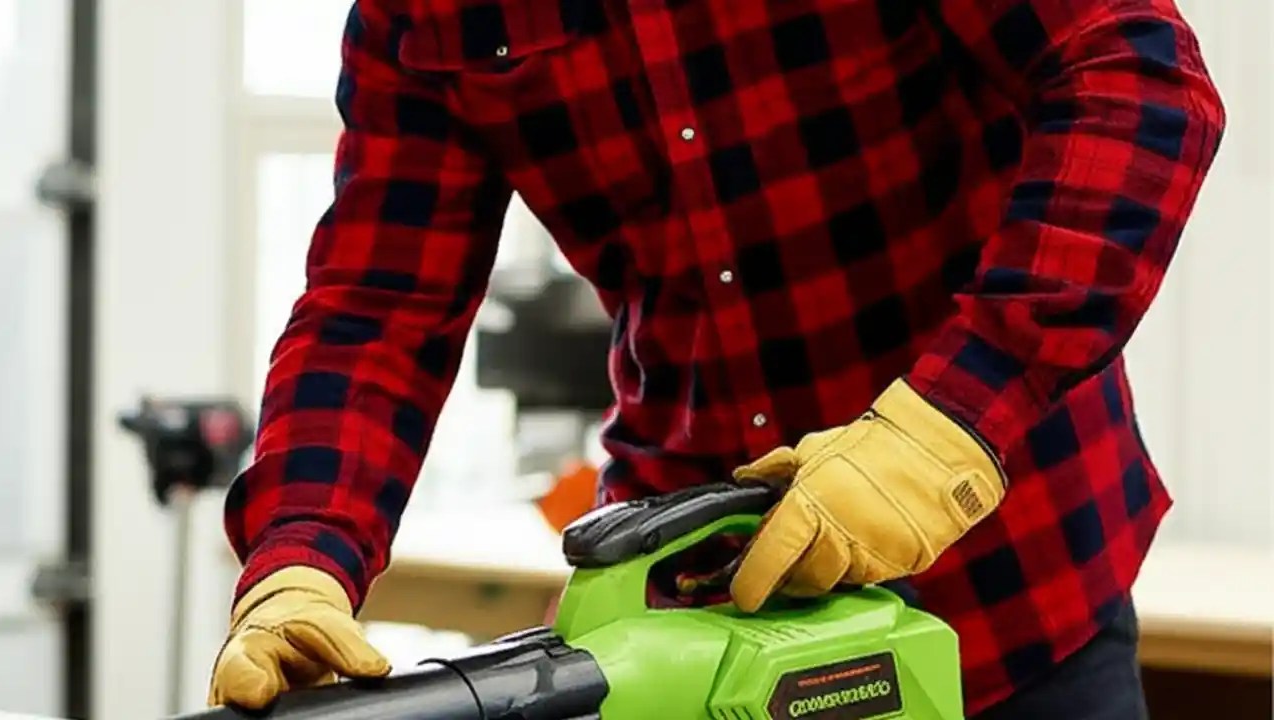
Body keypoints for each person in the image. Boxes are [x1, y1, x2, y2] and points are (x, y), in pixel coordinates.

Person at [207, 0, 1224, 717]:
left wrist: (943, 426)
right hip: (685, 611)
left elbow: (1134, 80)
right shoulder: (422, 12)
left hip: (1004, 587)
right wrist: (299, 559)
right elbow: (378, 305)